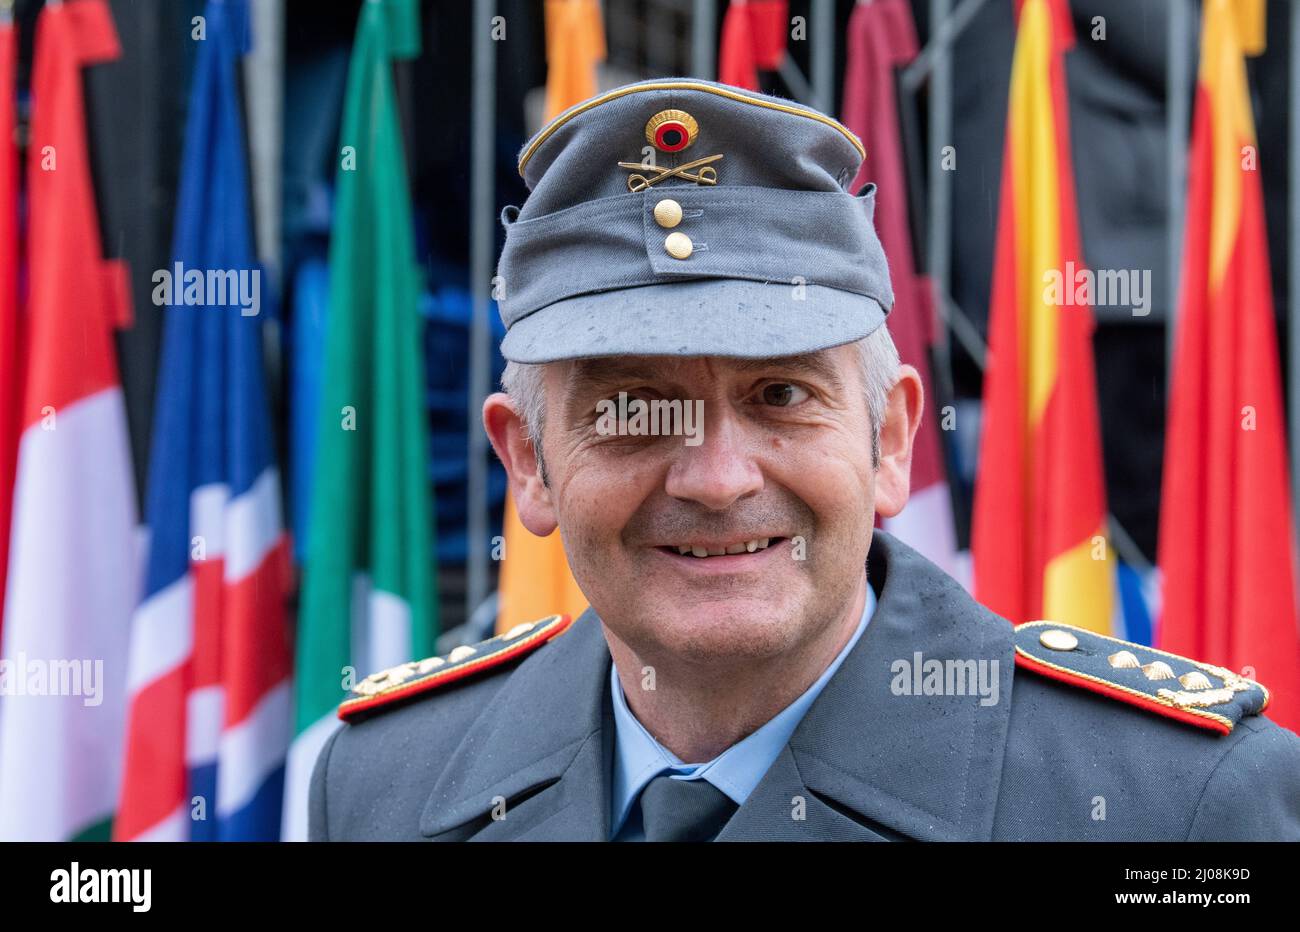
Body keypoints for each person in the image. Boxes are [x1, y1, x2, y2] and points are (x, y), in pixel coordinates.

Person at [309, 77, 1300, 842]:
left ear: (888, 438)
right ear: (526, 461)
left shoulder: (1172, 803)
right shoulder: (387, 784)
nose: (716, 476)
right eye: (633, 407)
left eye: (779, 395)